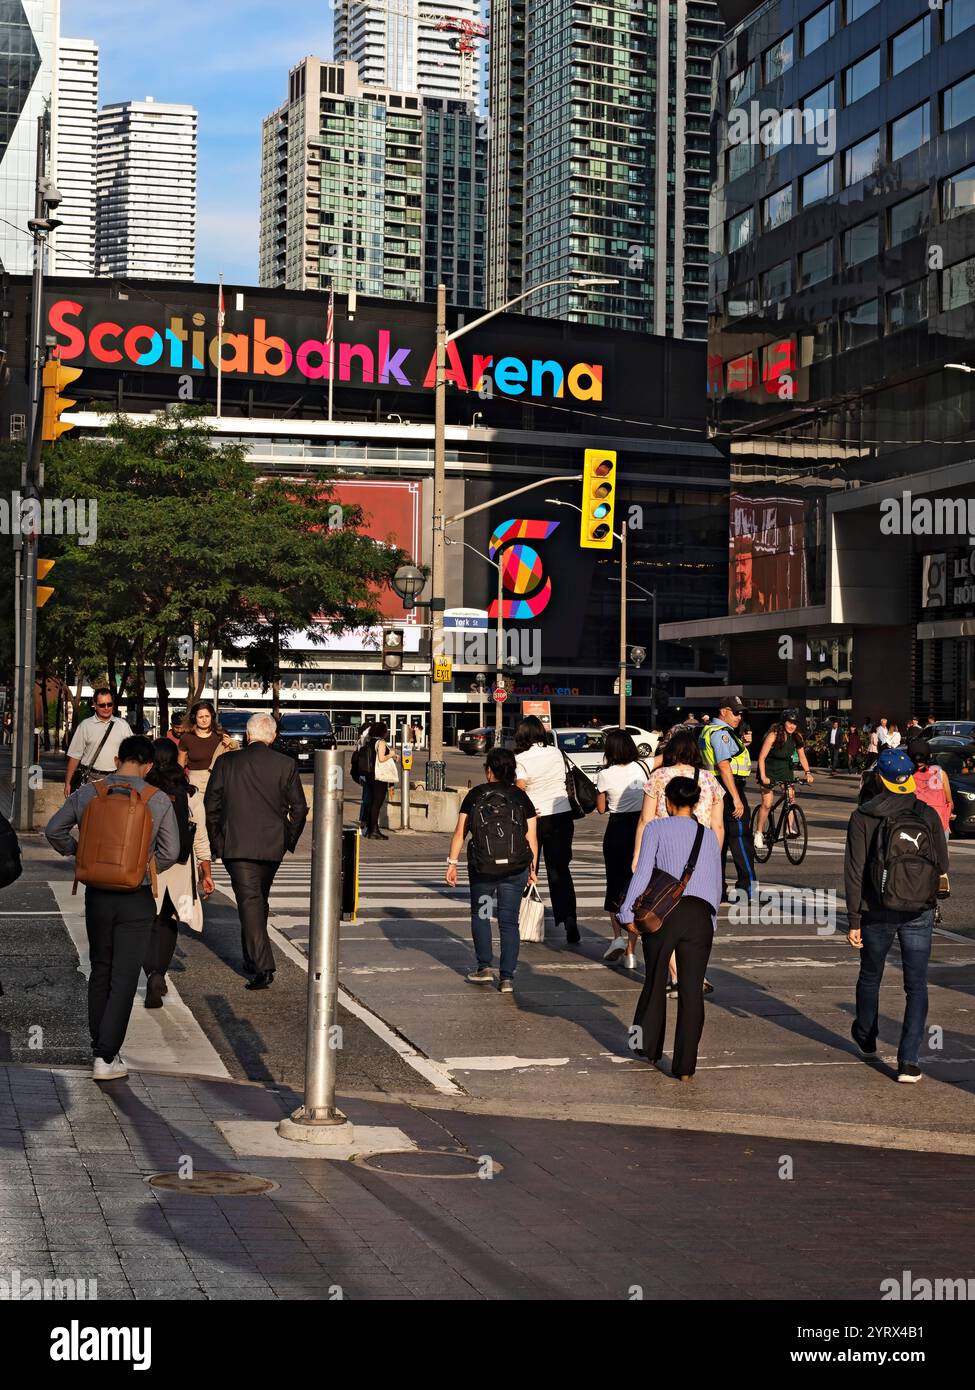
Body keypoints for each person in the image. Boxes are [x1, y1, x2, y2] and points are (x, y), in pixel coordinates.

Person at [45, 735, 180, 1080]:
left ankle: (99, 1047)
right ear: (149, 766)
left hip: (98, 893)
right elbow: (171, 850)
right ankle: (107, 1056)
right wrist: (144, 870)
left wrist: (80, 852)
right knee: (124, 975)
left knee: (100, 968)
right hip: (137, 895)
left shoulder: (90, 792)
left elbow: (53, 829)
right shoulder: (157, 798)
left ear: (118, 758)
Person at [845, 746, 948, 1083]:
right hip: (919, 909)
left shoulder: (864, 816)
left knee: (871, 975)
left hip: (877, 909)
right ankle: (909, 1061)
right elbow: (942, 865)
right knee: (916, 985)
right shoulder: (926, 813)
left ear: (880, 778)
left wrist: (854, 920)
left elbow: (855, 871)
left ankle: (866, 1035)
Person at [617, 776, 723, 1080]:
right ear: (696, 803)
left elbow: (642, 875)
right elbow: (716, 885)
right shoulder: (708, 836)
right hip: (700, 915)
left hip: (664, 915)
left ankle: (647, 1048)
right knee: (692, 991)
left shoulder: (655, 829)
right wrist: (711, 921)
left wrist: (627, 912)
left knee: (655, 982)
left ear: (668, 802)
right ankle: (686, 1067)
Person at [204, 712, 308, 989]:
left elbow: (211, 804)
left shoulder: (226, 762)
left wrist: (217, 840)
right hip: (272, 844)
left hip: (236, 844)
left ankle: (262, 965)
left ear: (248, 735)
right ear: (273, 737)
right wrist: (288, 838)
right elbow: (300, 808)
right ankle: (253, 958)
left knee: (252, 900)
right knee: (256, 899)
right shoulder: (285, 764)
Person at [632, 730, 724, 992]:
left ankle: (676, 974)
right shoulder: (709, 780)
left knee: (662, 912)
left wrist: (638, 854)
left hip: (665, 853)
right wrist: (713, 857)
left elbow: (646, 819)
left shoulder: (658, 778)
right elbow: (717, 826)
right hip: (700, 853)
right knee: (697, 916)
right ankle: (694, 974)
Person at [446, 747, 538, 992]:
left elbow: (459, 833)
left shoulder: (476, 795)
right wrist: (533, 868)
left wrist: (452, 863)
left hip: (484, 869)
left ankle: (484, 967)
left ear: (489, 771)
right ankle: (507, 978)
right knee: (509, 922)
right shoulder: (521, 797)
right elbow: (532, 837)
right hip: (515, 869)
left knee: (483, 914)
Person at [143, 738, 214, 1009]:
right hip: (181, 866)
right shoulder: (190, 793)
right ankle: (159, 971)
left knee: (148, 921)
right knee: (169, 922)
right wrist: (205, 872)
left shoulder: (145, 790)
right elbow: (201, 837)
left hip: (149, 864)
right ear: (176, 760)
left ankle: (150, 972)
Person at [515, 715, 579, 943]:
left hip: (535, 817)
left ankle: (526, 916)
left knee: (529, 867)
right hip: (561, 815)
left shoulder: (521, 758)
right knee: (560, 869)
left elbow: (521, 787)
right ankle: (569, 919)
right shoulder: (557, 753)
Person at [595, 730, 654, 963]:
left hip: (617, 830)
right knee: (637, 887)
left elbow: (601, 808)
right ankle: (631, 949)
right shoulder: (643, 767)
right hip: (641, 828)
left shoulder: (605, 774)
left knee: (615, 884)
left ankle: (617, 937)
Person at [699, 694, 755, 901]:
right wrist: (736, 798)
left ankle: (718, 888)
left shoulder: (710, 730)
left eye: (740, 712)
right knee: (740, 838)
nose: (739, 716)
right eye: (735, 712)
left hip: (715, 789)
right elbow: (724, 766)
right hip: (729, 788)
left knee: (718, 841)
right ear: (723, 711)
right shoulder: (721, 733)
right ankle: (746, 890)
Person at [754, 709, 814, 849]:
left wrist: (808, 772)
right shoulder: (774, 735)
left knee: (790, 797)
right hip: (769, 768)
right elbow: (762, 757)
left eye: (794, 723)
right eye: (789, 723)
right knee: (768, 803)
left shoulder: (796, 737)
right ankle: (758, 832)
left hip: (785, 769)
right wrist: (763, 776)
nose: (792, 726)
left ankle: (789, 828)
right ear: (783, 722)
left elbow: (802, 756)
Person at [63, 689, 134, 798]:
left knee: (113, 814)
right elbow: (75, 756)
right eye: (102, 705)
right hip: (91, 778)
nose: (106, 708)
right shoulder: (85, 726)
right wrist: (68, 782)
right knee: (90, 814)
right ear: (94, 705)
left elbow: (132, 755)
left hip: (116, 779)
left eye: (109, 704)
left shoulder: (123, 725)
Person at [178, 700, 237, 800]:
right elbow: (180, 764)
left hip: (217, 782)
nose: (204, 720)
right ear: (194, 718)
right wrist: (180, 783)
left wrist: (230, 745)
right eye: (201, 717)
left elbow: (232, 760)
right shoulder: (186, 738)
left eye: (207, 716)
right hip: (194, 783)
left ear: (212, 717)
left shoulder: (220, 736)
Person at [362, 722, 398, 840]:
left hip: (370, 775)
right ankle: (374, 830)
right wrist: (391, 754)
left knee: (372, 802)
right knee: (377, 804)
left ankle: (370, 829)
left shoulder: (370, 741)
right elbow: (382, 759)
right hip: (379, 777)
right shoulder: (381, 742)